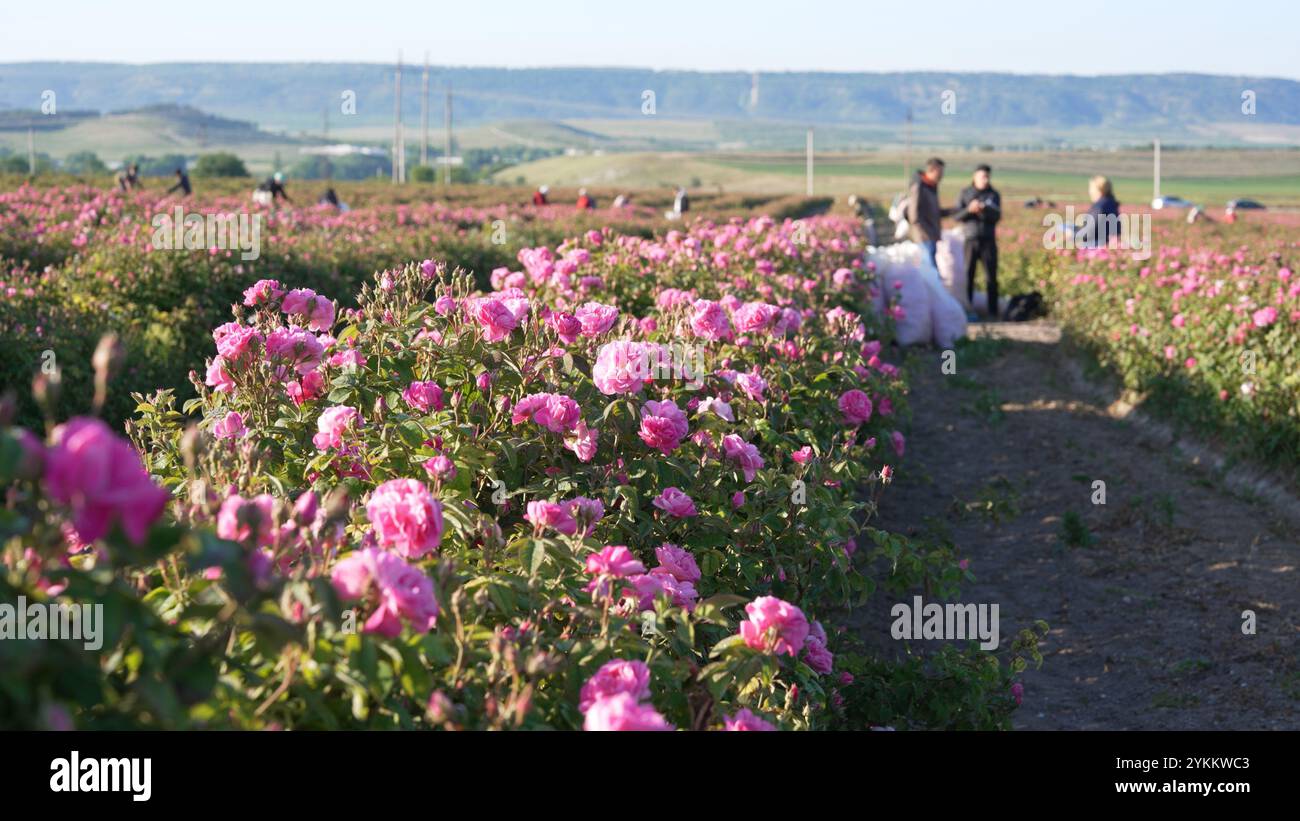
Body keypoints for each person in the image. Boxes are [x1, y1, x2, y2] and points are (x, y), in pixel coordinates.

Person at [955, 164, 1001, 320]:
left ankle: (993, 313)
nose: (985, 179)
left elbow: (997, 216)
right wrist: (969, 209)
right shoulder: (966, 193)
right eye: (982, 176)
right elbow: (957, 216)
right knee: (968, 275)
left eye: (987, 176)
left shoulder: (993, 195)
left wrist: (984, 209)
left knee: (991, 277)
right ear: (975, 177)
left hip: (988, 240)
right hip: (970, 239)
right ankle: (967, 311)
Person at [906, 157, 956, 271]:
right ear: (933, 170)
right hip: (924, 236)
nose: (942, 176)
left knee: (931, 268)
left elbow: (934, 212)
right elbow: (913, 215)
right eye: (941, 172)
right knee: (930, 270)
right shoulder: (919, 186)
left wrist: (952, 211)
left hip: (930, 235)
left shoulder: (931, 186)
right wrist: (925, 233)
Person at [1079, 175, 1120, 247]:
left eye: (1091, 189)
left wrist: (1071, 235)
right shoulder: (1111, 204)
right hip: (1107, 244)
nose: (1090, 192)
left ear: (1099, 190)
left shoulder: (1100, 207)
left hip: (1095, 245)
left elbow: (1088, 233)